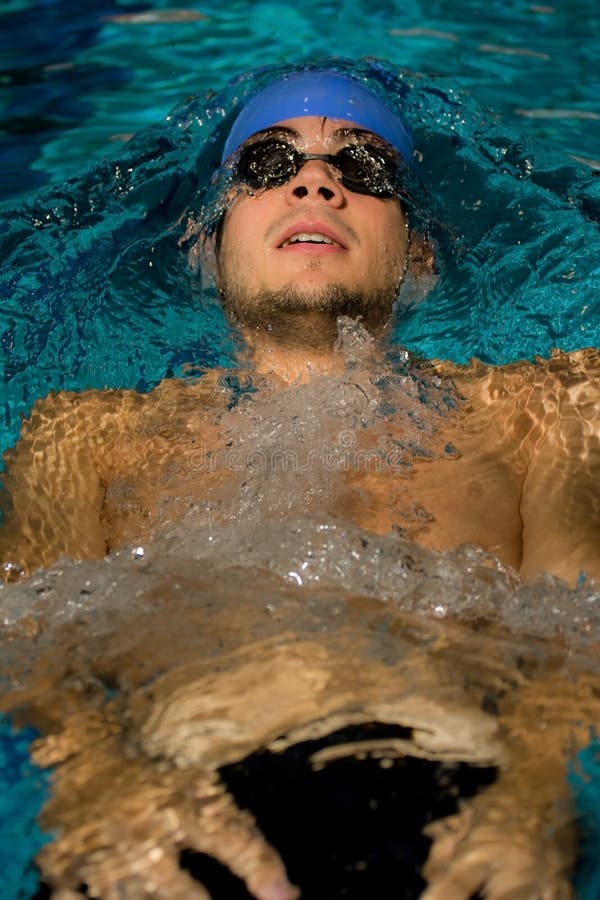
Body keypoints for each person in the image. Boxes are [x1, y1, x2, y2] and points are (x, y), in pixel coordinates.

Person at [0, 69, 598, 585]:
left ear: (419, 257)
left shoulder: (554, 408)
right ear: (207, 251)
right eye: (267, 163)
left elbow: (577, 663)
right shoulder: (82, 437)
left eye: (363, 165)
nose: (314, 183)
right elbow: (34, 671)